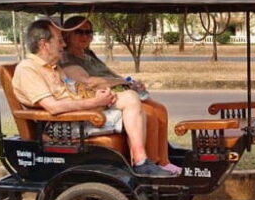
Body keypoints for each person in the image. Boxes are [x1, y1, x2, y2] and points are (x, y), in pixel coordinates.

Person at [12, 19, 176, 177]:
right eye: (60, 40)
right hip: (64, 125)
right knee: (142, 113)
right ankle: (141, 163)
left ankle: (142, 161)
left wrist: (99, 97)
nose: (63, 45)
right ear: (43, 44)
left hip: (79, 114)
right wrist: (95, 102)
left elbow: (75, 91)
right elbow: (53, 107)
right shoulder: (28, 69)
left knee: (131, 97)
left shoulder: (53, 67)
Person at [59, 16, 173, 169]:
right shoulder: (67, 59)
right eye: (79, 32)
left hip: (118, 92)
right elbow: (88, 82)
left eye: (89, 32)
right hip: (102, 98)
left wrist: (131, 82)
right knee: (149, 113)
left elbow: (112, 75)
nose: (85, 36)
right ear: (67, 35)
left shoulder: (89, 55)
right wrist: (123, 83)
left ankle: (164, 162)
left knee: (159, 109)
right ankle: (147, 163)